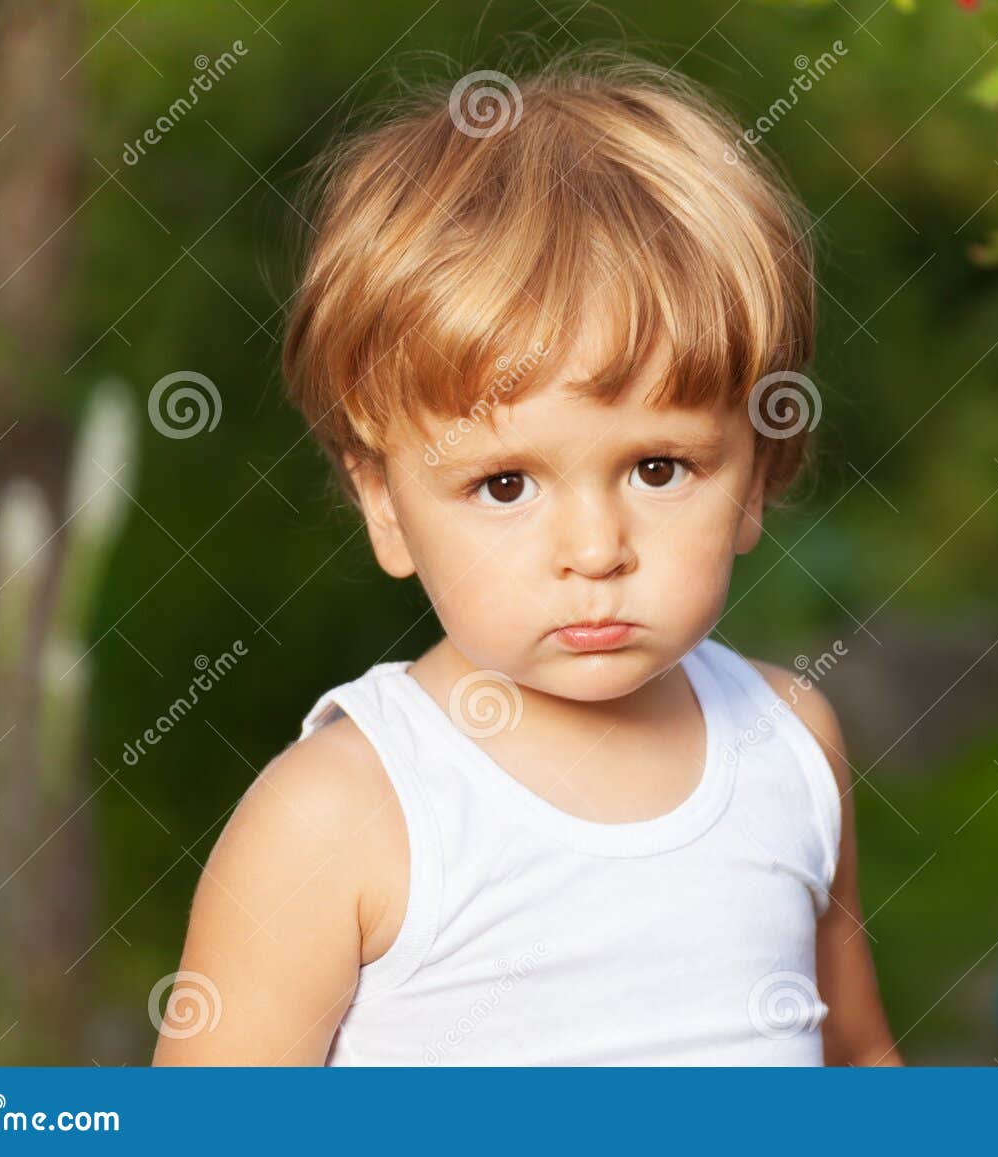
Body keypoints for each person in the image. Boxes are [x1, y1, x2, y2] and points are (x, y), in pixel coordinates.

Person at [154, 47, 897, 1066]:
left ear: (758, 474)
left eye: (658, 467)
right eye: (504, 485)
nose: (594, 550)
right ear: (384, 501)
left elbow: (857, 1058)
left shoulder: (791, 743)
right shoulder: (340, 816)